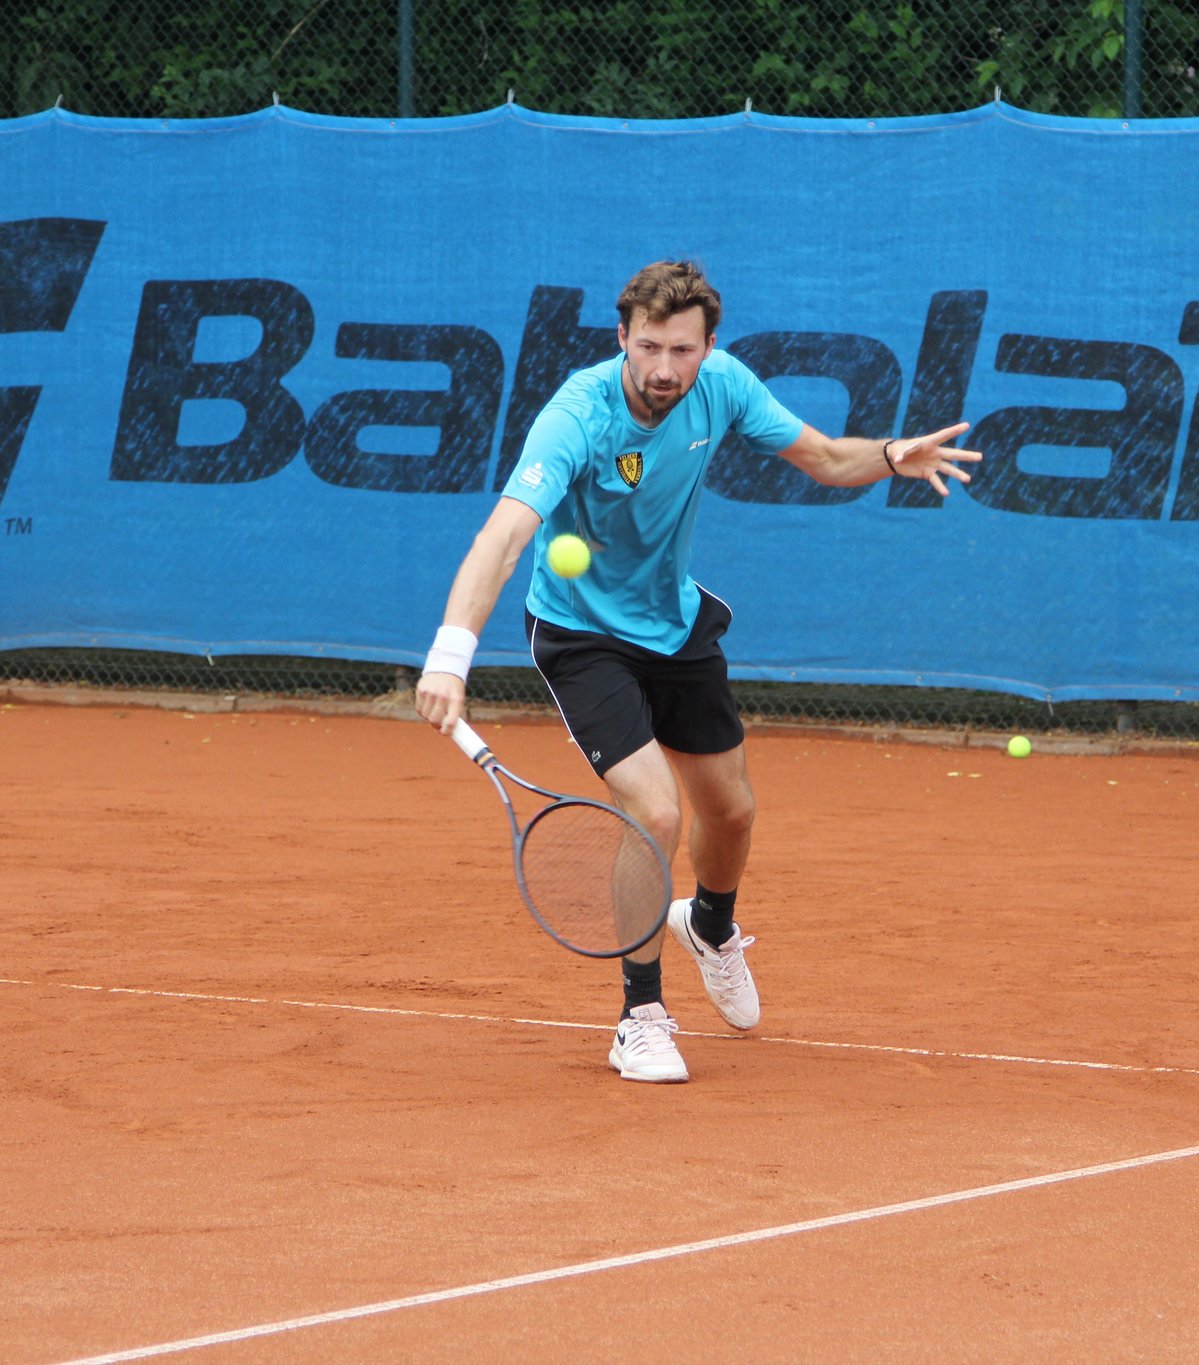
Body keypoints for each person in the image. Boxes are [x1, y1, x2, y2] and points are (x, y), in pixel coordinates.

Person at [416, 260, 975, 1083]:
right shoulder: (579, 413)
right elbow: (503, 537)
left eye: (682, 349)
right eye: (648, 346)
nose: (664, 367)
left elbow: (822, 456)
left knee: (734, 815)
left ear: (708, 346)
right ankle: (640, 1015)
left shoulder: (723, 387)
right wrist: (450, 653)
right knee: (655, 809)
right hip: (580, 633)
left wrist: (893, 455)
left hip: (674, 623)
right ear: (622, 339)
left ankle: (711, 925)